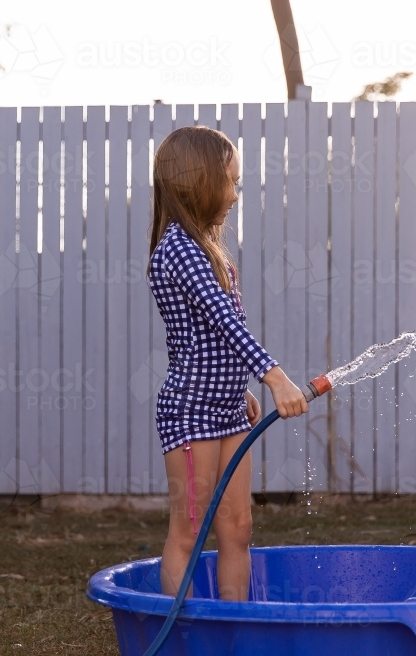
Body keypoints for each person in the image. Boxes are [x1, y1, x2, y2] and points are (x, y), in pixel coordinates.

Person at [148, 125, 308, 601]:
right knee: (189, 533)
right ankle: (190, 642)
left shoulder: (206, 248)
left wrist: (240, 387)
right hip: (192, 411)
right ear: (199, 183)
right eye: (231, 182)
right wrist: (274, 376)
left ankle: (233, 632)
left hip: (227, 408)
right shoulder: (177, 250)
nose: (236, 195)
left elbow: (204, 336)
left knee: (238, 528)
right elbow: (222, 320)